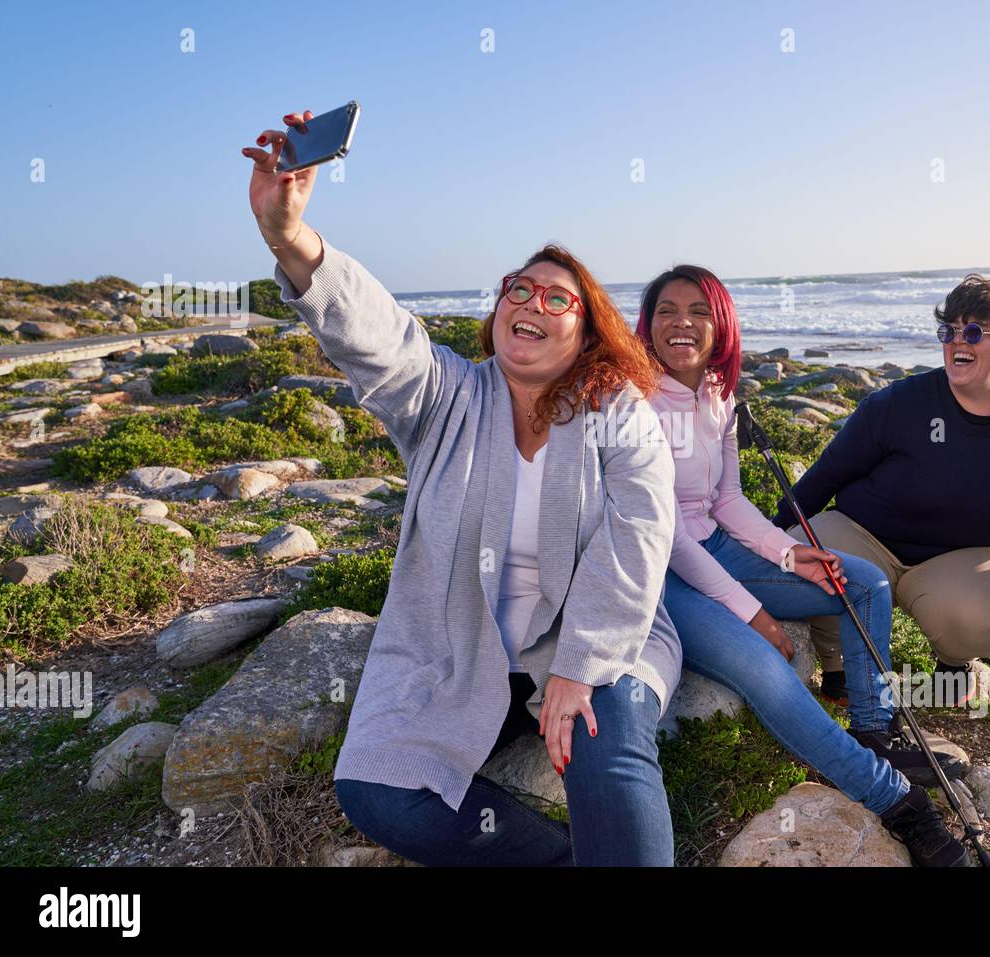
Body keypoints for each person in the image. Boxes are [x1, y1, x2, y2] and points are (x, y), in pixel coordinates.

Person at [243, 110, 682, 866]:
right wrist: (290, 237)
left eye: (557, 299)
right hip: (460, 649)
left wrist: (580, 667)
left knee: (608, 743)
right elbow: (378, 334)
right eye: (520, 288)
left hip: (591, 641)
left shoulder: (615, 408)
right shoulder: (448, 395)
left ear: (586, 332)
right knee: (375, 786)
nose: (530, 304)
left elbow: (640, 528)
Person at [637, 264, 970, 867]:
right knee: (768, 672)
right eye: (666, 310)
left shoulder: (718, 394)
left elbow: (724, 501)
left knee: (861, 581)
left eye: (698, 310)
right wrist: (753, 612)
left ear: (721, 326)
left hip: (713, 546)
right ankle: (897, 801)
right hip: (659, 573)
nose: (681, 323)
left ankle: (874, 730)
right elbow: (665, 535)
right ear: (648, 321)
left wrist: (791, 553)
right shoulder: (633, 400)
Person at [774, 274, 990, 708]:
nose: (958, 341)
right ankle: (839, 665)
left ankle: (954, 664)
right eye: (949, 331)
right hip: (867, 539)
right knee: (805, 550)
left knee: (987, 618)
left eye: (973, 331)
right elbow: (824, 478)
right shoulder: (897, 405)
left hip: (971, 559)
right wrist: (766, 542)